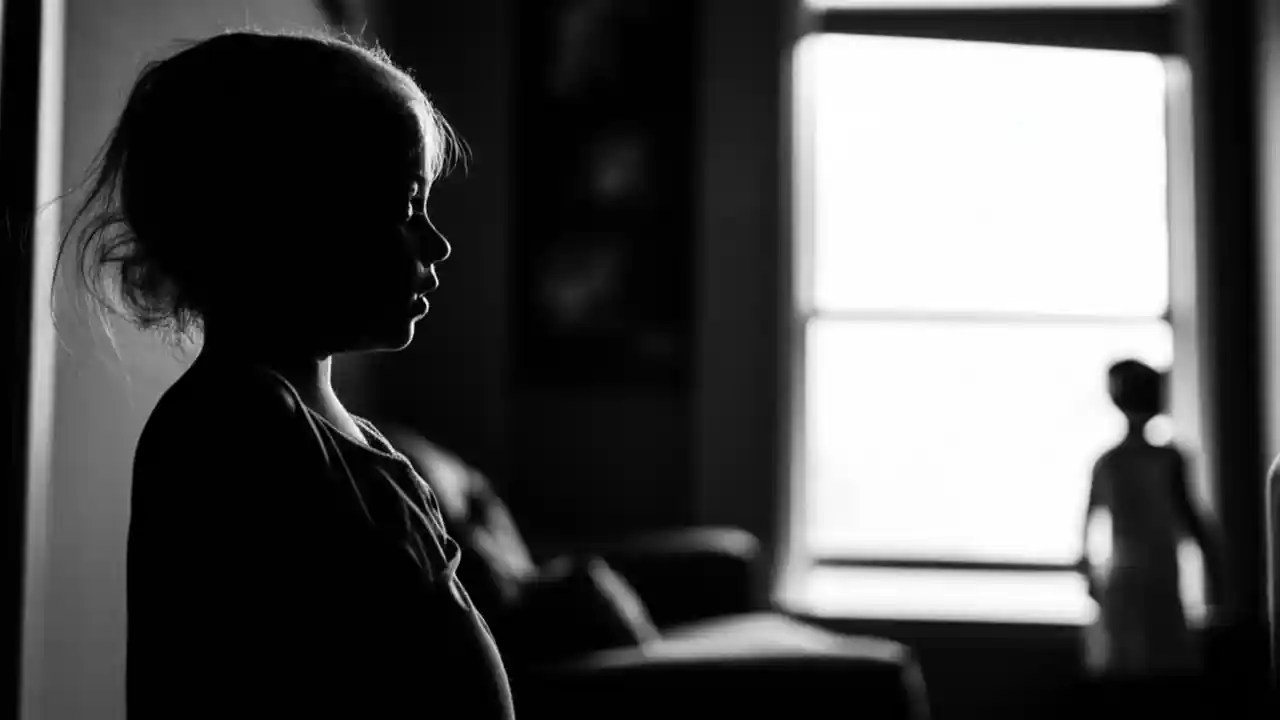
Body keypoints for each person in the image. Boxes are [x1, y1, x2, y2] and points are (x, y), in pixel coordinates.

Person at [56, 30, 514, 718]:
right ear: (290, 220)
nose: (437, 244)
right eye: (405, 208)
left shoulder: (345, 433)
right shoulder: (238, 421)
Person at [1080, 359, 1222, 677]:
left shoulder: (1111, 462)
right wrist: (1217, 571)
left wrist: (1090, 576)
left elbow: (1087, 531)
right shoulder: (1162, 459)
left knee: (1135, 667)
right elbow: (1193, 521)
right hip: (1151, 573)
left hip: (1128, 575)